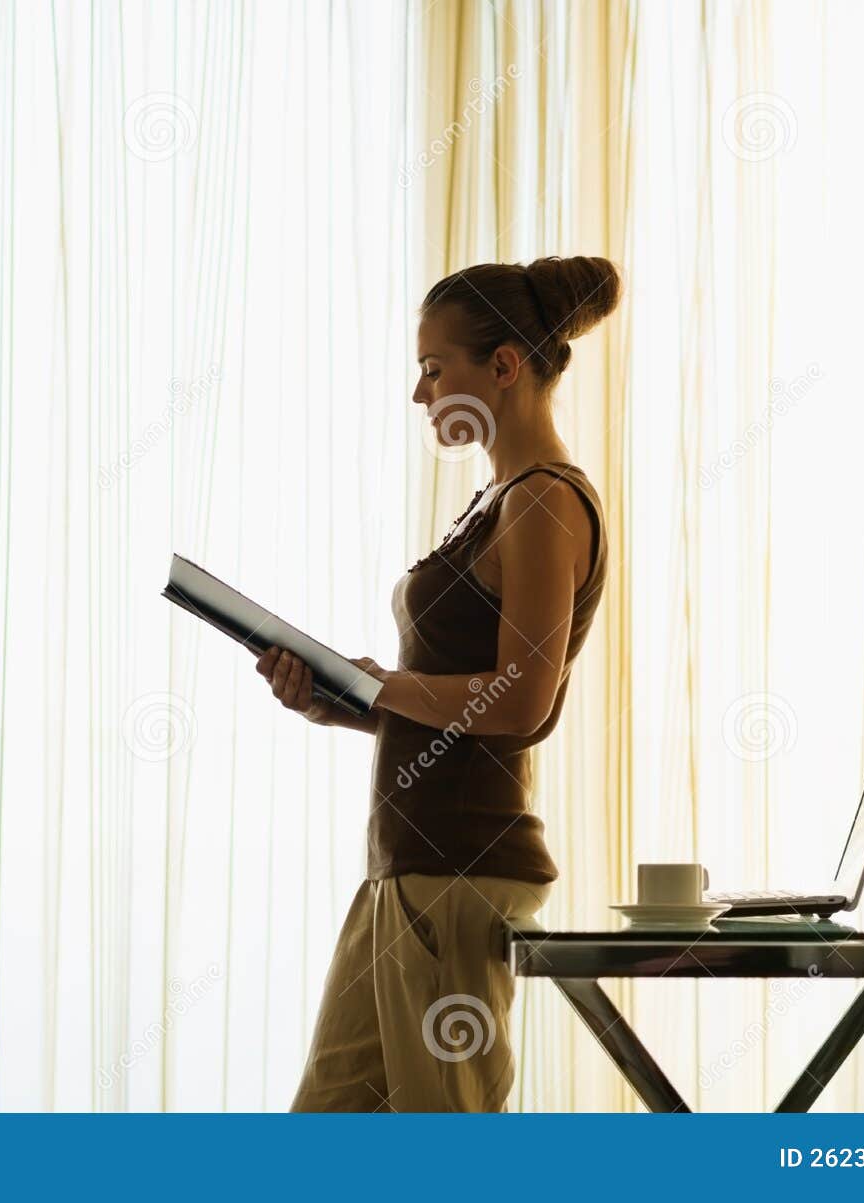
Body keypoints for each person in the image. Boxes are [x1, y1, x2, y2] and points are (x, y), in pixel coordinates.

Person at [258, 255, 619, 1112]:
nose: (421, 393)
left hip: (460, 874)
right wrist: (340, 702)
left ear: (503, 366)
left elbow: (522, 698)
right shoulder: (494, 502)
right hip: (406, 869)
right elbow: (450, 699)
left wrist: (381, 690)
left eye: (433, 367)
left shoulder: (542, 502)